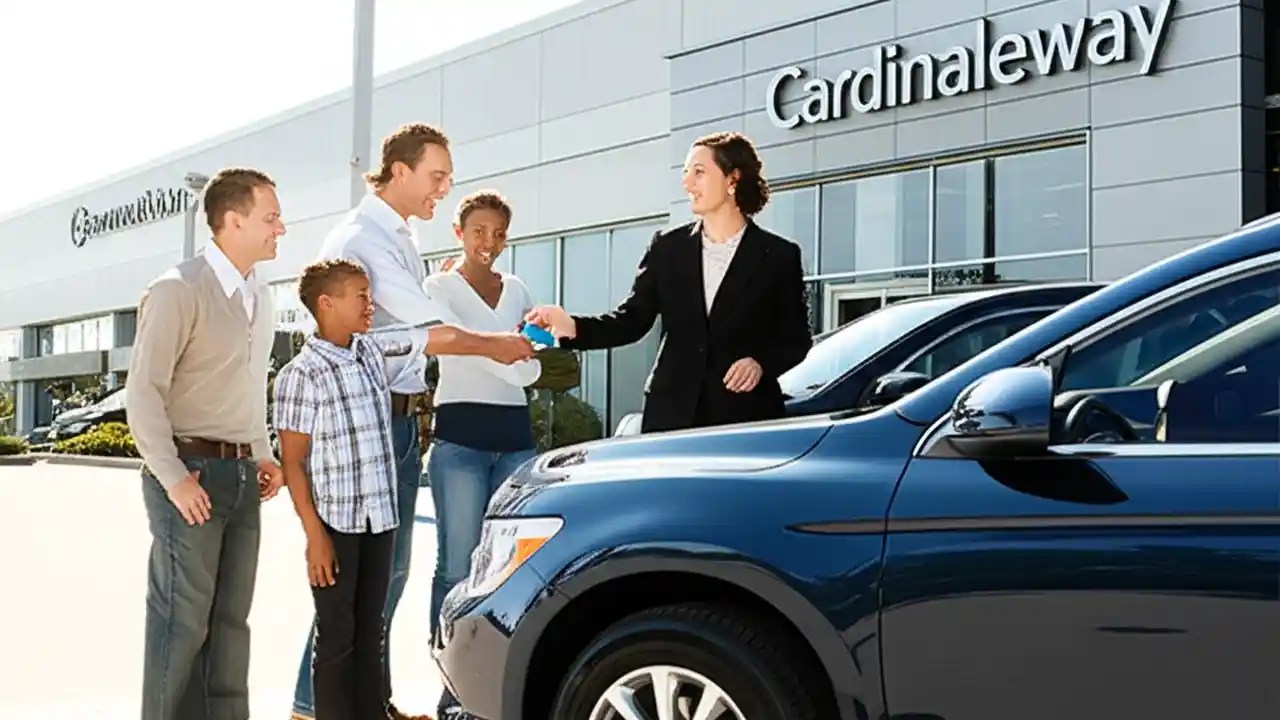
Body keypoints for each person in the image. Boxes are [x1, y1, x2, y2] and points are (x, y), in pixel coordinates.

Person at [290, 122, 534, 720]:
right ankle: (309, 705)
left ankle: (370, 701)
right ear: (398, 170)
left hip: (397, 424)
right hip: (366, 430)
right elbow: (428, 330)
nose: (444, 188)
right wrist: (497, 345)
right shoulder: (365, 238)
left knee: (384, 578)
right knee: (351, 585)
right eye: (436, 176)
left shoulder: (395, 234)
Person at [126, 167, 288, 720]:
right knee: (181, 623)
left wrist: (263, 452)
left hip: (242, 477)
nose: (281, 229)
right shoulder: (177, 289)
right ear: (232, 221)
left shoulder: (259, 296)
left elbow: (247, 386)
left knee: (230, 624)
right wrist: (173, 478)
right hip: (189, 475)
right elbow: (143, 393)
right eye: (270, 217)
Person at [527, 131, 813, 433]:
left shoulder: (779, 256)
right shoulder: (667, 247)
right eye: (686, 173)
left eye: (699, 172)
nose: (687, 183)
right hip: (671, 416)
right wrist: (571, 326)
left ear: (733, 178)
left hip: (744, 420)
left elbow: (796, 340)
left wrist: (760, 364)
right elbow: (631, 321)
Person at [422, 191, 541, 718]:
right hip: (460, 441)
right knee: (456, 567)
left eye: (498, 232)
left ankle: (498, 681)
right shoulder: (437, 286)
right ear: (459, 232)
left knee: (511, 567)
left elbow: (534, 361)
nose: (488, 241)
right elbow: (446, 343)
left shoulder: (516, 290)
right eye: (478, 231)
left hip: (516, 439)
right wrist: (508, 354)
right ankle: (451, 689)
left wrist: (510, 357)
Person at [273, 259, 402, 720]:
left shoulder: (369, 353)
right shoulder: (300, 375)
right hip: (335, 523)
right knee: (337, 637)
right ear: (327, 304)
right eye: (360, 296)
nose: (371, 304)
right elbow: (293, 462)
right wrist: (315, 537)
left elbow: (428, 339)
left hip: (381, 518)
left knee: (371, 631)